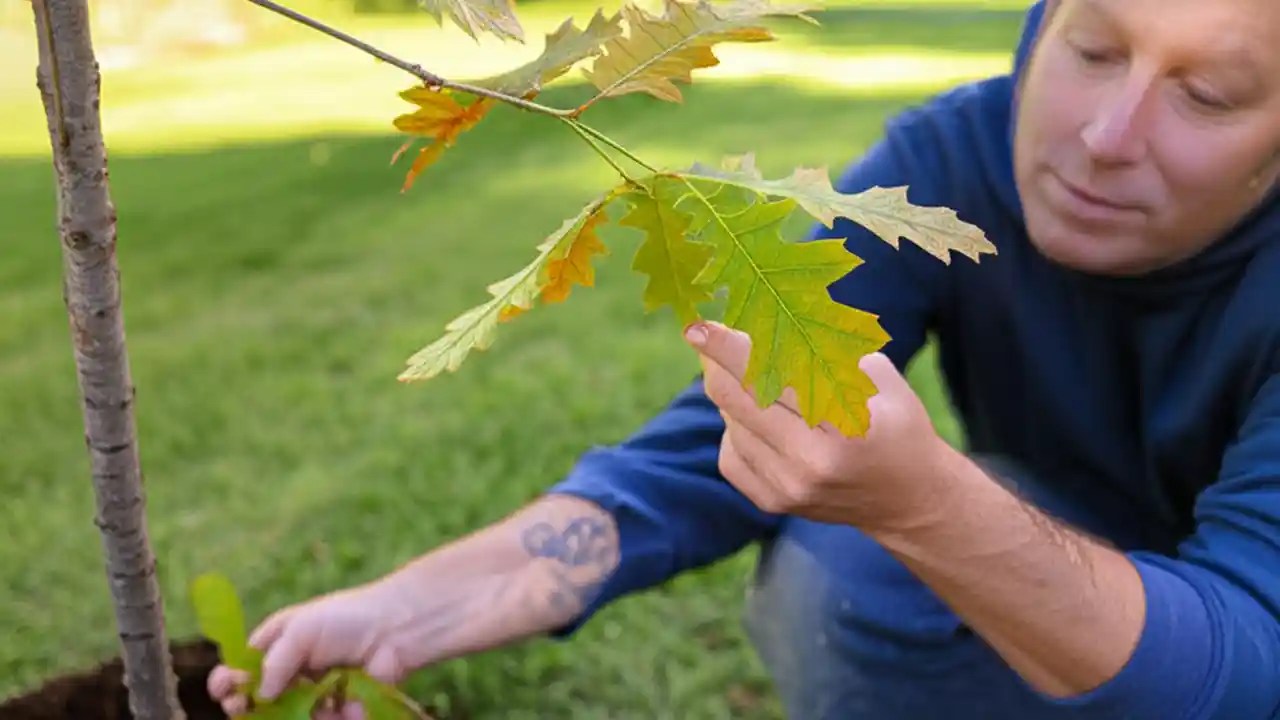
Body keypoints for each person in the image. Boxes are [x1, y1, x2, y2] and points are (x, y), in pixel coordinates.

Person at [210, 0, 1280, 717]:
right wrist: (415, 606)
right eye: (1090, 51)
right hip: (1093, 566)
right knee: (848, 571)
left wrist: (926, 505)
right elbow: (704, 453)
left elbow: (1248, 664)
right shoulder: (948, 166)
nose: (1104, 134)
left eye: (1207, 96)